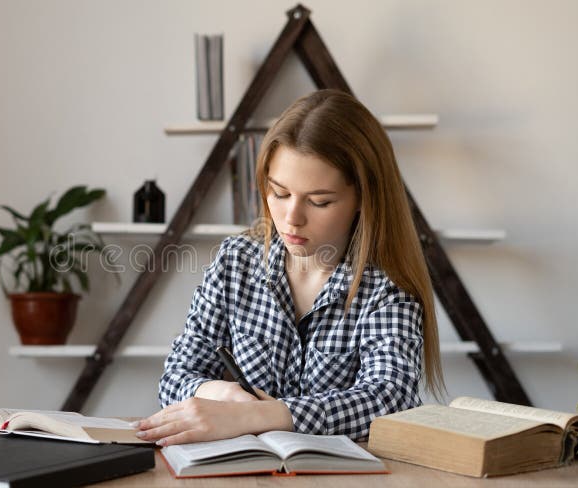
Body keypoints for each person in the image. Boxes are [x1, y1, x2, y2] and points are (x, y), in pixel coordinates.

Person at [133, 89, 444, 447]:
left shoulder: (385, 286)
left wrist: (266, 415)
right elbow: (175, 377)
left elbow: (390, 398)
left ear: (363, 198)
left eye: (319, 201)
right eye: (279, 194)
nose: (292, 218)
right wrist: (222, 396)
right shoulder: (235, 263)